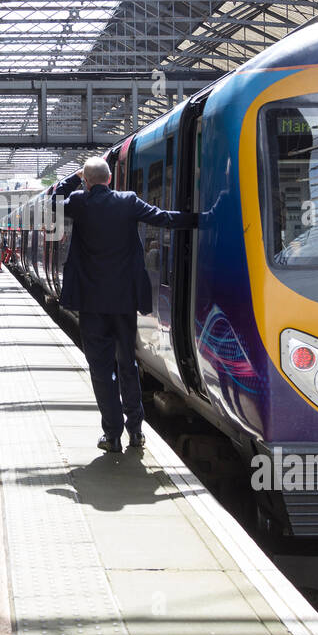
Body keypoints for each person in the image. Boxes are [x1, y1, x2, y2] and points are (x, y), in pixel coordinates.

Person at [55, 156, 198, 453]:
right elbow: (165, 219)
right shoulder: (128, 201)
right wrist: (201, 219)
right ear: (110, 179)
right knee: (128, 365)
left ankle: (112, 435)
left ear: (88, 181)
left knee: (101, 370)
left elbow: (53, 202)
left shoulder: (79, 202)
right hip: (123, 303)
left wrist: (74, 177)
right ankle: (136, 431)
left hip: (92, 305)